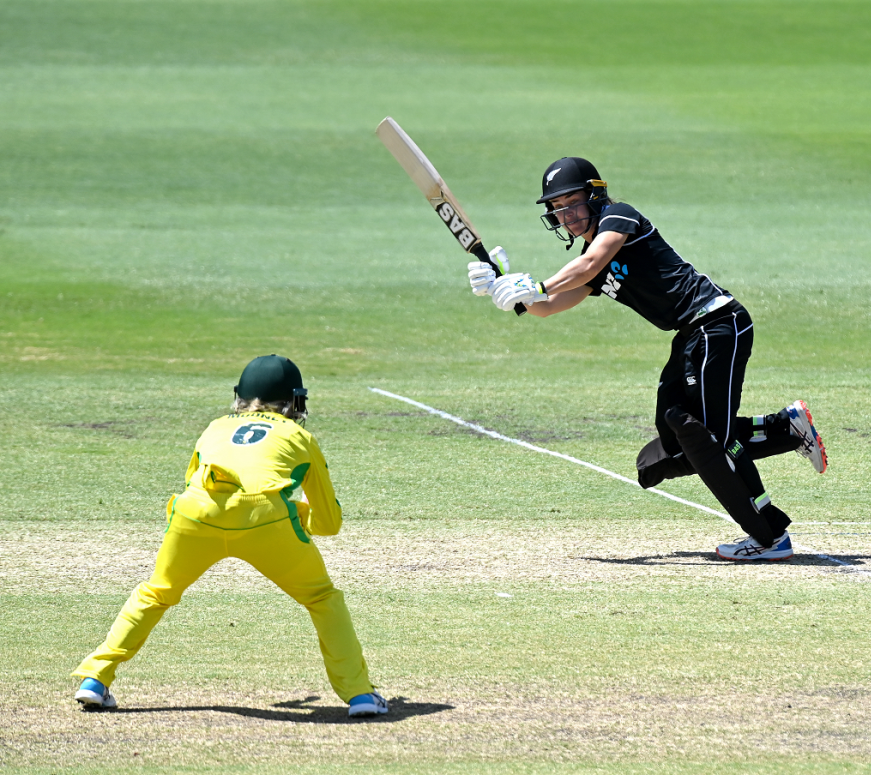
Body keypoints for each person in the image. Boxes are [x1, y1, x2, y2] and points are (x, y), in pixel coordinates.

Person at [467, 157, 827, 561]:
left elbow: (588, 264)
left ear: (595, 194)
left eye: (573, 203)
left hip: (717, 323)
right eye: (558, 208)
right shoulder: (591, 254)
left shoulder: (620, 217)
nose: (566, 215)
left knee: (706, 437)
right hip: (692, 335)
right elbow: (549, 306)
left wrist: (533, 284)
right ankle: (785, 428)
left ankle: (769, 536)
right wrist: (509, 291)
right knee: (670, 447)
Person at [71, 355, 388, 717]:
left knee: (156, 593)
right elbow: (329, 524)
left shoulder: (215, 427)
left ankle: (94, 678)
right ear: (295, 400)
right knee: (322, 598)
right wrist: (297, 515)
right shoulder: (300, 436)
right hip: (265, 520)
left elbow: (194, 484)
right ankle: (360, 695)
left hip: (195, 514)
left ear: (240, 395)